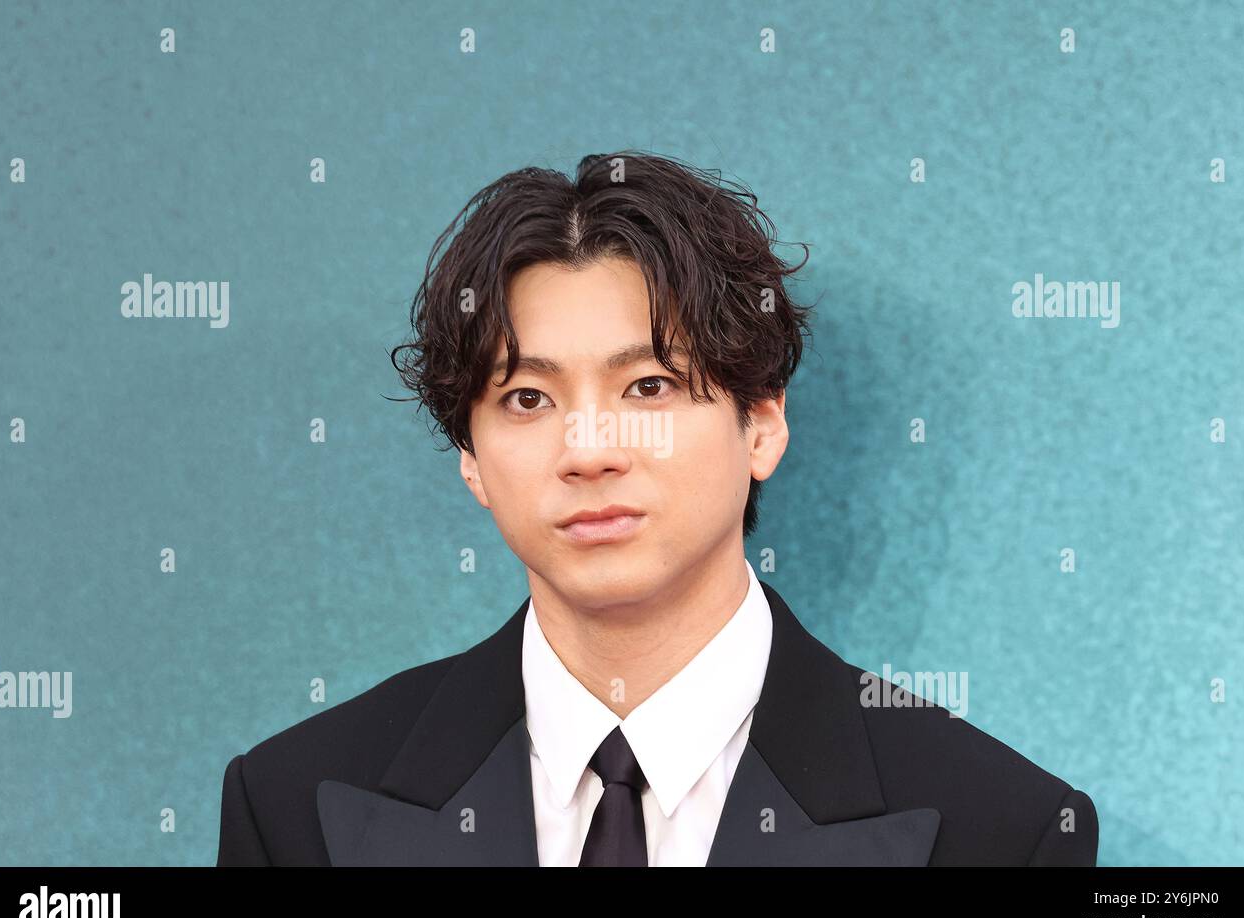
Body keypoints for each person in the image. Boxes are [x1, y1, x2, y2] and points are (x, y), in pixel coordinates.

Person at [216, 150, 1098, 866]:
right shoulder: (298, 805)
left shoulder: (1000, 829)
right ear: (471, 458)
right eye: (528, 399)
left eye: (647, 386)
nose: (589, 449)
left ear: (760, 424)